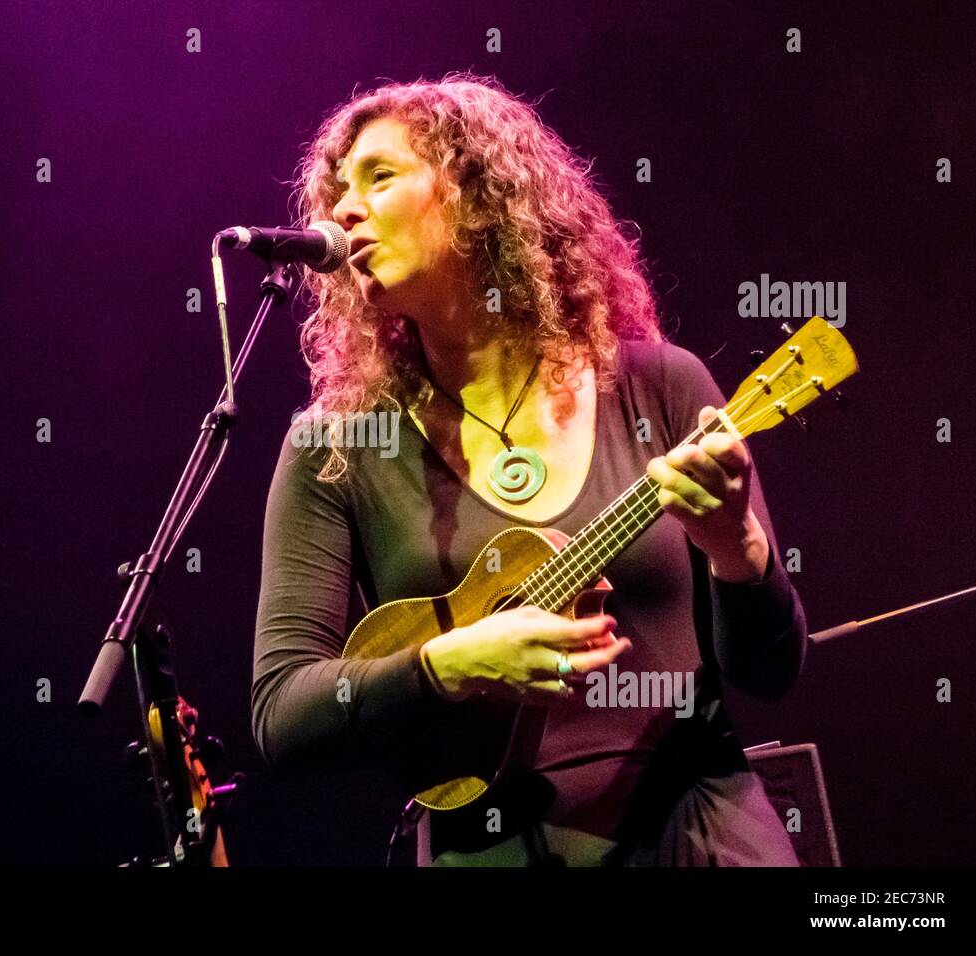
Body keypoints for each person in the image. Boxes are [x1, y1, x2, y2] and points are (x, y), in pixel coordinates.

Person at [250, 73, 807, 866]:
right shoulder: (336, 448)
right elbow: (283, 715)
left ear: (478, 197)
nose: (340, 209)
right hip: (493, 848)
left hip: (697, 834)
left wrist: (735, 551)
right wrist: (448, 665)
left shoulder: (660, 385)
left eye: (380, 176)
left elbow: (770, 672)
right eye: (336, 190)